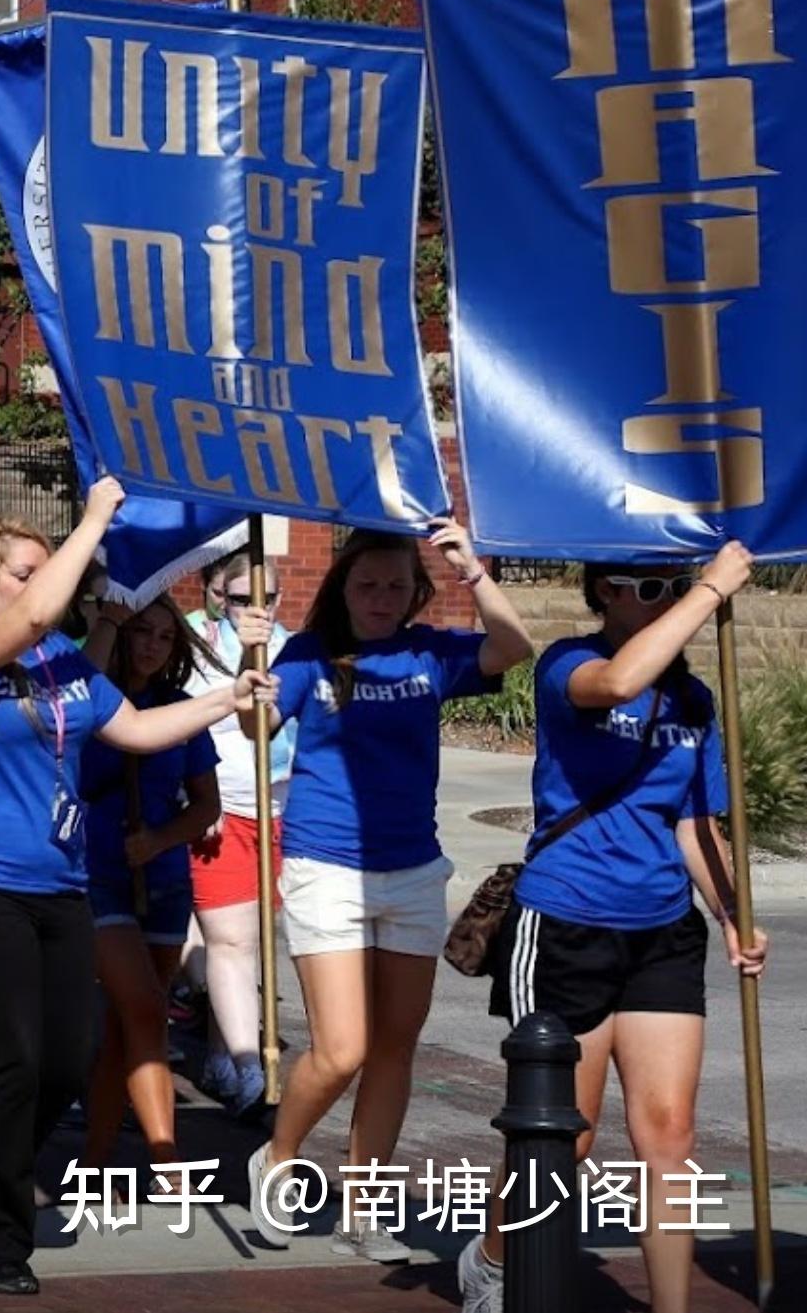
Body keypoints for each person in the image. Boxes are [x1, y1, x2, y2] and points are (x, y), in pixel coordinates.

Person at [0, 483, 275, 1298]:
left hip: (60, 886)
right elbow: (36, 617)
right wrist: (92, 520)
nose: (37, 585)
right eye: (20, 572)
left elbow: (140, 729)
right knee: (9, 1061)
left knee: (69, 1056)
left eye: (43, 572)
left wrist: (229, 696)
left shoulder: (67, 668)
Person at [459, 546, 771, 1313]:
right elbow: (620, 680)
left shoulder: (696, 701)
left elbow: (693, 825)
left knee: (668, 1134)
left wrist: (733, 915)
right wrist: (706, 590)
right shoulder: (568, 664)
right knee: (565, 1133)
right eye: (652, 587)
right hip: (565, 919)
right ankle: (495, 1258)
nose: (668, 600)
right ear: (605, 591)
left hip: (661, 928)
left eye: (675, 585)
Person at [245, 522, 533, 1259]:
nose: (380, 597)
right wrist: (248, 661)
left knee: (394, 1046)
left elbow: (512, 648)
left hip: (410, 867)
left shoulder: (432, 651)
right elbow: (256, 726)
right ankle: (278, 1155)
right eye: (366, 583)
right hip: (325, 865)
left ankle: (363, 1206)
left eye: (395, 584)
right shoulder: (308, 654)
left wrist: (472, 569)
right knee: (340, 1048)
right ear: (342, 585)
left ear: (415, 591)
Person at [76, 594, 222, 1191]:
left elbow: (207, 805)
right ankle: (167, 1159)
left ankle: (96, 1156)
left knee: (128, 1025)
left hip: (162, 880)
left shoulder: (181, 711)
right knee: (143, 1009)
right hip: (95, 874)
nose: (152, 645)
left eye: (165, 636)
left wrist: (161, 839)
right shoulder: (87, 704)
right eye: (143, 632)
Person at [185, 549, 295, 1114]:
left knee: (256, 940)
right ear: (215, 595)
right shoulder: (194, 644)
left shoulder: (293, 648)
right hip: (223, 807)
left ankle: (222, 1050)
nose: (258, 609)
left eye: (269, 598)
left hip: (282, 807)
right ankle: (249, 1064)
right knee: (231, 940)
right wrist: (196, 797)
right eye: (241, 599)